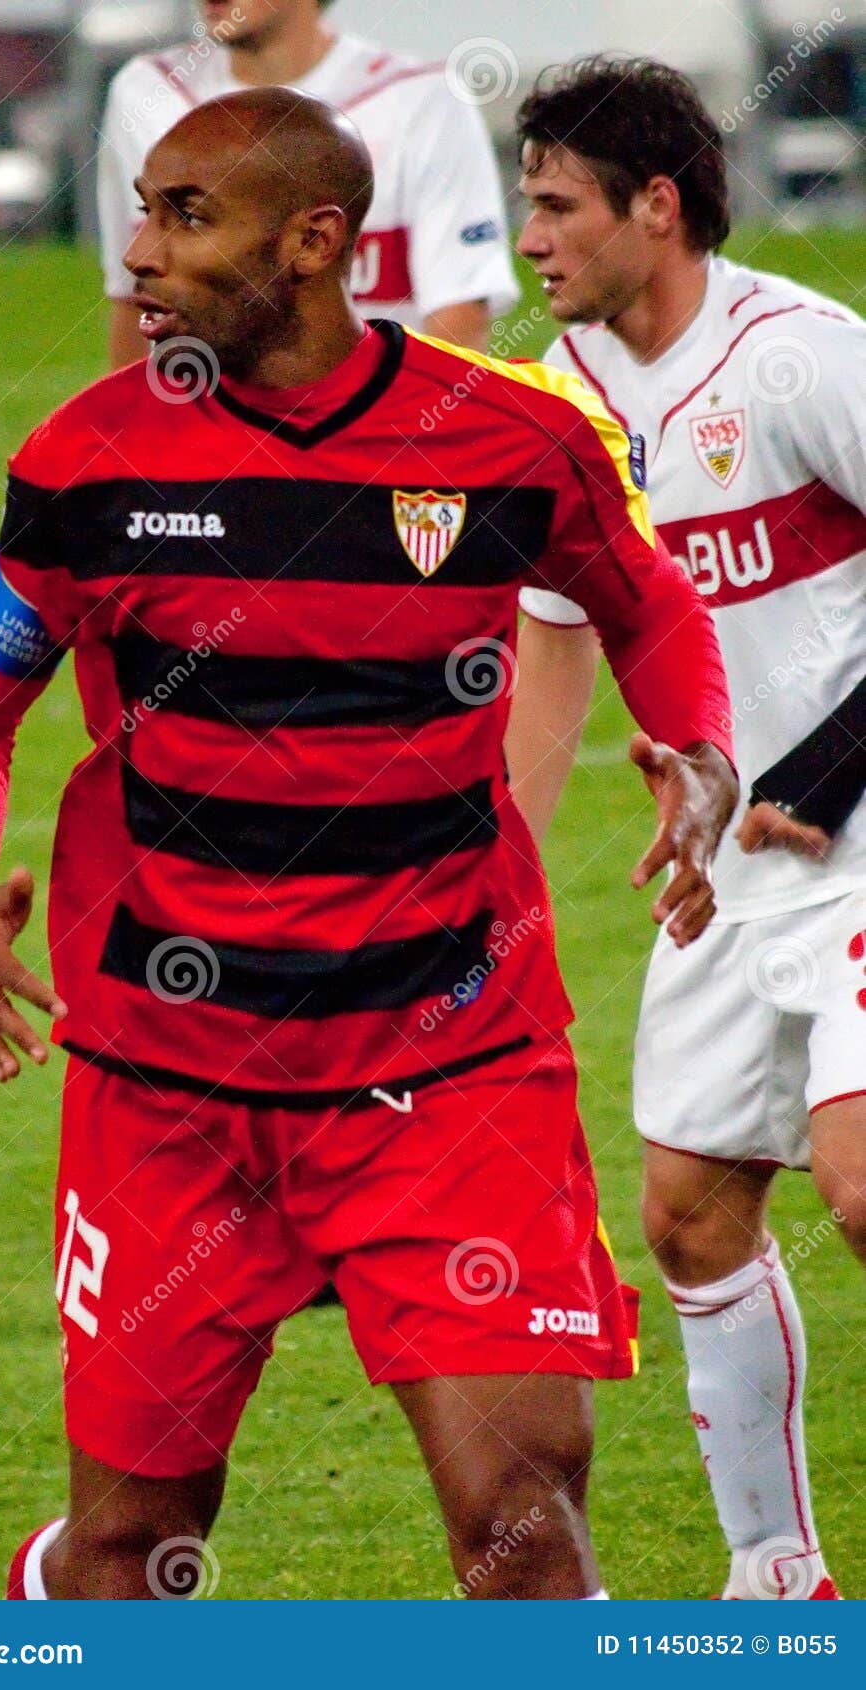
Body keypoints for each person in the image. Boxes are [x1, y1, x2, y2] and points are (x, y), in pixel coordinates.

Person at [0, 87, 736, 1601]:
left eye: (183, 216)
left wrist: (695, 749)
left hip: (449, 1063)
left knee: (520, 1517)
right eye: (141, 210)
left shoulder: (512, 437)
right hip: (170, 1083)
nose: (138, 253)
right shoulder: (89, 460)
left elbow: (650, 605)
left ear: (313, 242)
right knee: (130, 1547)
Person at [508, 54, 866, 1602]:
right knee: (688, 1208)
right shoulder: (562, 399)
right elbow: (548, 651)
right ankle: (775, 1580)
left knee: (860, 1184)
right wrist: (492, 891)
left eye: (555, 205)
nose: (529, 239)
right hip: (721, 870)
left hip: (853, 831)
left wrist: (831, 764)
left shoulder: (800, 360)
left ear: (655, 206)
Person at [97, 0, 516, 368]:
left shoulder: (423, 100)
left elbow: (459, 308)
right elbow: (132, 297)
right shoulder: (146, 91)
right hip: (210, 435)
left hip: (370, 427)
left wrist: (419, 439)